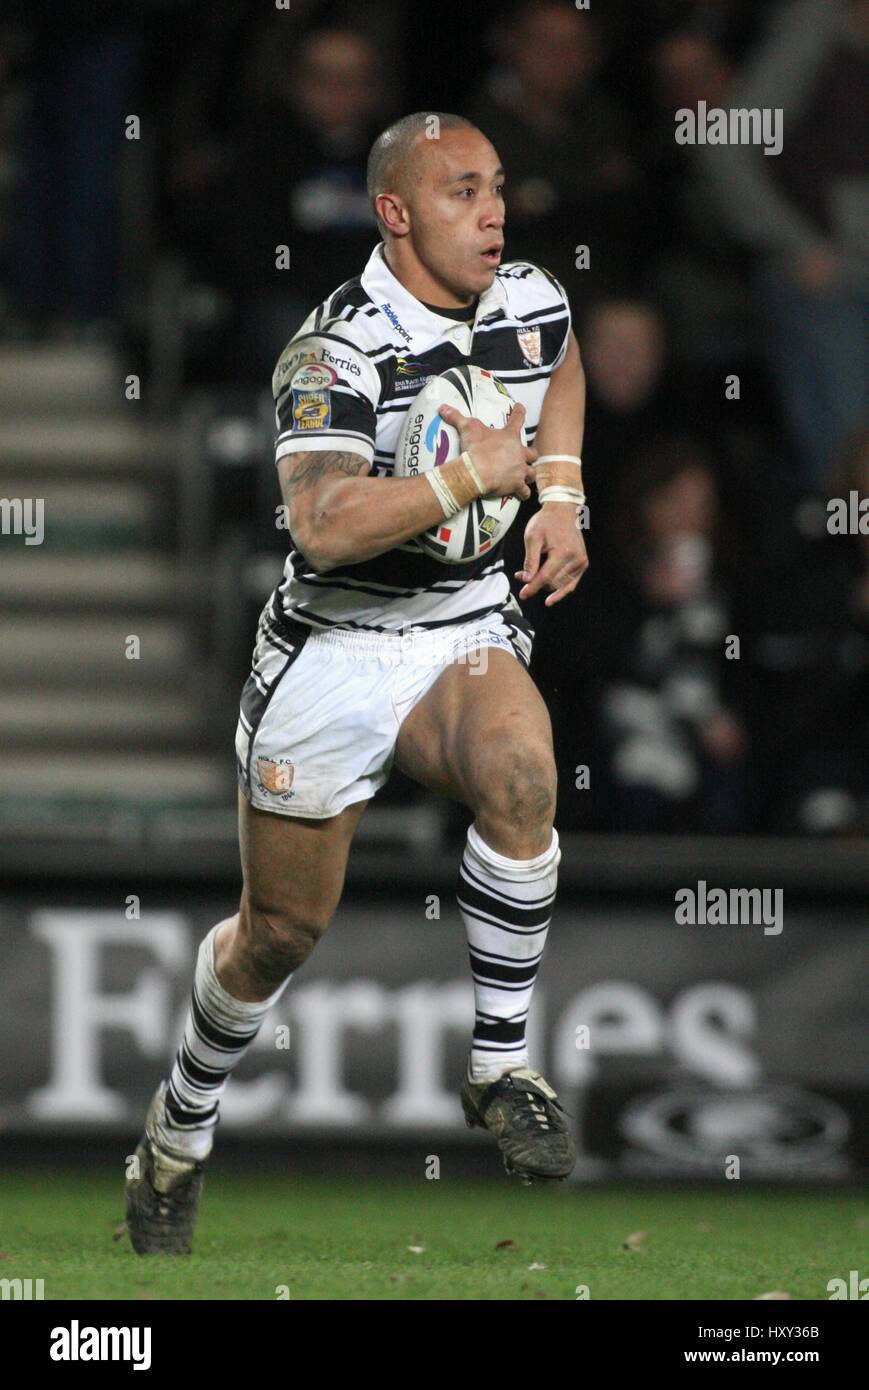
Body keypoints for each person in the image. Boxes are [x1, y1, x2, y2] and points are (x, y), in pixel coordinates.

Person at [124, 111, 589, 1253]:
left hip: (459, 624)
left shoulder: (526, 295)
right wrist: (464, 478)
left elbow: (559, 361)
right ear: (393, 212)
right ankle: (178, 1129)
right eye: (460, 194)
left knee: (522, 771)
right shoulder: (334, 351)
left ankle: (497, 1067)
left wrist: (563, 492)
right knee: (279, 932)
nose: (492, 213)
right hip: (334, 645)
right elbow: (321, 524)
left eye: (496, 188)